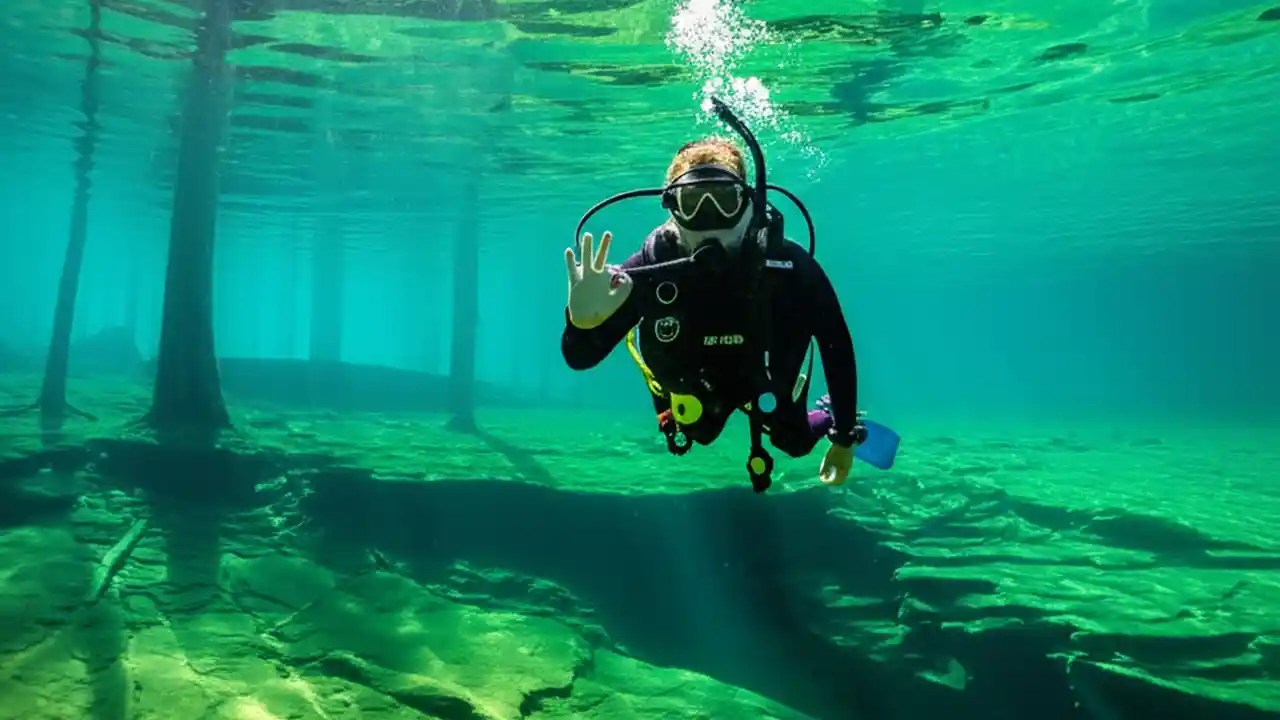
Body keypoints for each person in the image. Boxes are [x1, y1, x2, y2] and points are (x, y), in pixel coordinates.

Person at [560, 133, 865, 490]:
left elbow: (835, 343)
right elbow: (578, 357)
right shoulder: (651, 267)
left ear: (749, 203)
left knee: (795, 443)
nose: (709, 217)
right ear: (672, 210)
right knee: (698, 432)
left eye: (723, 200)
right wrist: (580, 324)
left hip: (765, 379)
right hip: (696, 385)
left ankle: (825, 411)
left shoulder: (790, 265)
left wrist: (843, 434)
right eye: (691, 202)